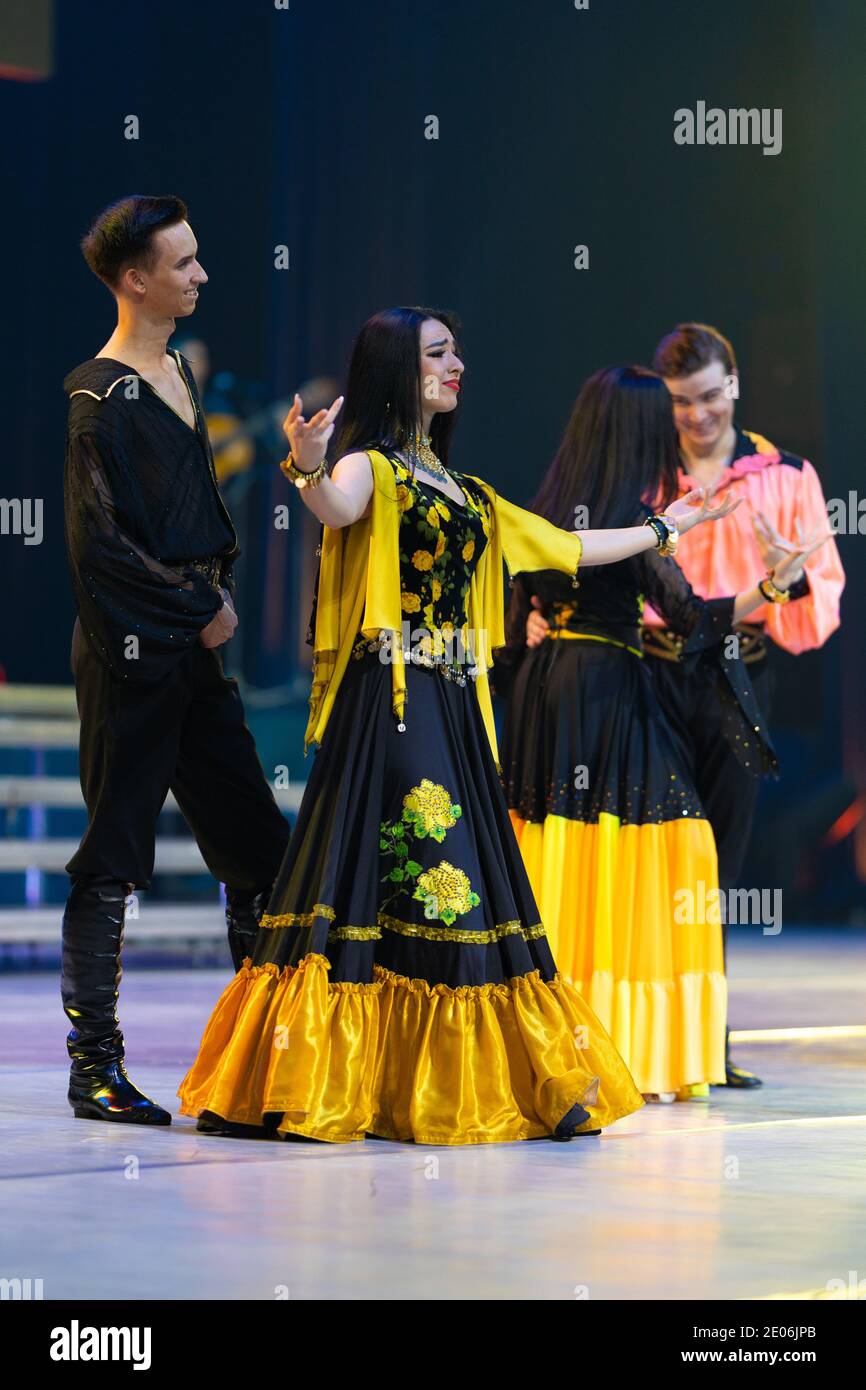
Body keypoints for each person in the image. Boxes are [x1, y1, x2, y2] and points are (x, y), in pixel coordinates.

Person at [179, 309, 744, 1146]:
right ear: (395, 370)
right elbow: (335, 507)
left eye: (455, 352)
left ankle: (437, 1081)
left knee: (462, 880)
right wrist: (304, 466)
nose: (457, 365)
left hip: (453, 703)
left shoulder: (466, 492)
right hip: (393, 698)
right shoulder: (374, 468)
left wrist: (671, 527)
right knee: (435, 869)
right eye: (437, 354)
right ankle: (356, 1076)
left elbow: (565, 546)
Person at [495, 366, 826, 1100]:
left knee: (558, 843)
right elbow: (693, 618)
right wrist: (774, 584)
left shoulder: (551, 506)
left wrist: (537, 633)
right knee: (675, 846)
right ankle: (632, 1043)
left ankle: (548, 1029)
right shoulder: (634, 521)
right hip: (612, 687)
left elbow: (509, 630)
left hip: (548, 694)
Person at [62, 195, 290, 1126]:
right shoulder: (96, 393)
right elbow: (98, 548)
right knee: (112, 854)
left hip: (196, 643)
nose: (200, 275)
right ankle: (94, 1069)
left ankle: (259, 1059)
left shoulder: (179, 377)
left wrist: (212, 602)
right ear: (134, 280)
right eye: (183, 263)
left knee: (259, 846)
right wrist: (197, 610)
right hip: (134, 648)